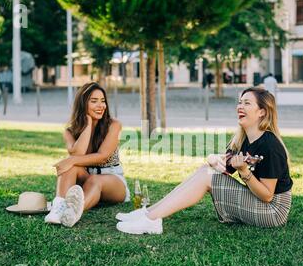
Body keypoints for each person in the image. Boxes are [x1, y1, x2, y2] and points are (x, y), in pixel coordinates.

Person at [116, 87, 293, 235]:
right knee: (205, 171)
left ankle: (151, 220)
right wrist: (212, 159)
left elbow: (268, 196)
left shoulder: (270, 145)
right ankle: (148, 214)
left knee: (208, 177)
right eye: (239, 102)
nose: (240, 106)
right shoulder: (243, 139)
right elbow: (223, 168)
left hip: (273, 211)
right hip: (261, 203)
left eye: (247, 103)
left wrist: (245, 172)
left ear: (262, 111)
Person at [44, 82, 130, 227]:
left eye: (103, 101)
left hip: (113, 182)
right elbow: (78, 153)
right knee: (70, 167)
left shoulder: (113, 125)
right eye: (94, 101)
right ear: (83, 104)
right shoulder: (70, 131)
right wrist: (88, 124)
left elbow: (103, 156)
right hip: (88, 178)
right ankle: (59, 207)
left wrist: (71, 160)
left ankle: (71, 212)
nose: (101, 105)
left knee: (89, 175)